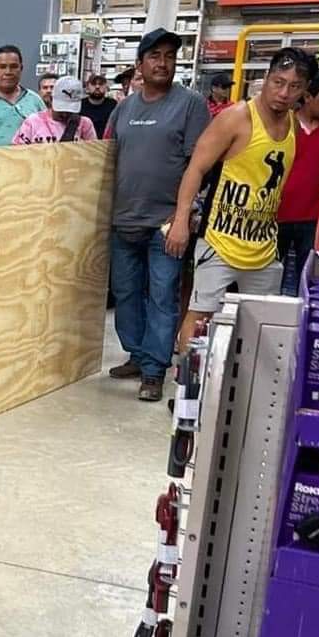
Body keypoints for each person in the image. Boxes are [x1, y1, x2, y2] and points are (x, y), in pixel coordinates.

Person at [166, 48, 315, 343]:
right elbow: (196, 168)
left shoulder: (294, 127)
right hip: (219, 241)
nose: (284, 93)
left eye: (294, 86)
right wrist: (181, 220)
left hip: (262, 246)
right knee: (200, 316)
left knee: (262, 326)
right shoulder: (236, 118)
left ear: (305, 90)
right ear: (266, 78)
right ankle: (186, 374)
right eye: (278, 82)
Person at [105, 28, 211, 403]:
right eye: (155, 56)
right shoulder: (124, 108)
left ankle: (154, 370)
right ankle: (137, 354)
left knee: (163, 297)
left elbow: (200, 166)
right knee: (126, 294)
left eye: (169, 56)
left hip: (166, 223)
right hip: (124, 220)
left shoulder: (190, 105)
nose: (163, 63)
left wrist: (184, 216)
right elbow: (106, 159)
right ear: (140, 64)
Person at [277, 68, 319, 296]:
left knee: (309, 283)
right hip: (276, 217)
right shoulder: (284, 124)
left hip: (314, 221)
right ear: (308, 96)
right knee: (271, 278)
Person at [12, 76, 97, 144]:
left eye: (69, 112)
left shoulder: (85, 124)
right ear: (52, 99)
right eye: (61, 110)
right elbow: (16, 151)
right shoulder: (33, 121)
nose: (64, 115)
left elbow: (93, 153)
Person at [81, 74, 117, 138]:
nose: (97, 87)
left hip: (107, 142)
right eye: (93, 84)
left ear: (106, 87)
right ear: (87, 87)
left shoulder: (113, 105)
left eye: (101, 84)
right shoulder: (80, 105)